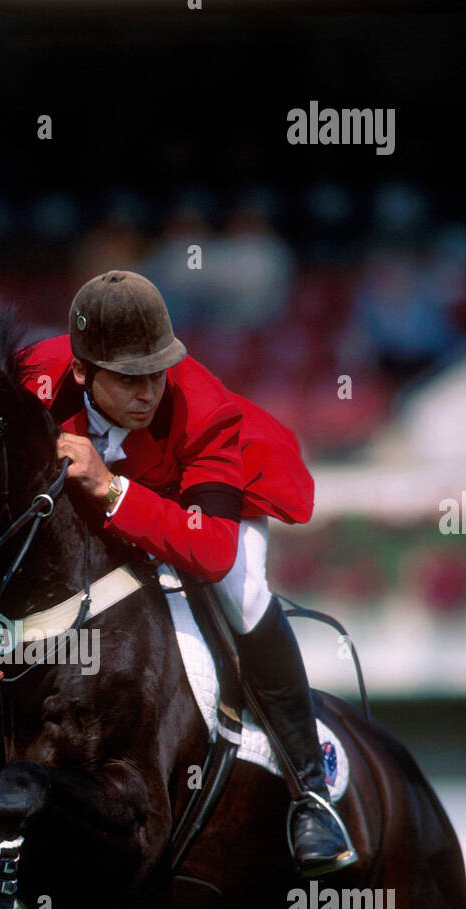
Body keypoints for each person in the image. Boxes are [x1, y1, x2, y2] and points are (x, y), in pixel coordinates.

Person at [20, 269, 357, 878]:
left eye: (158, 370)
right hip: (134, 492)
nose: (149, 391)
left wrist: (109, 487)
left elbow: (211, 550)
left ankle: (311, 792)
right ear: (80, 372)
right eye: (128, 377)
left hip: (216, 499)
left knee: (245, 592)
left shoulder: (203, 410)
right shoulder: (37, 374)